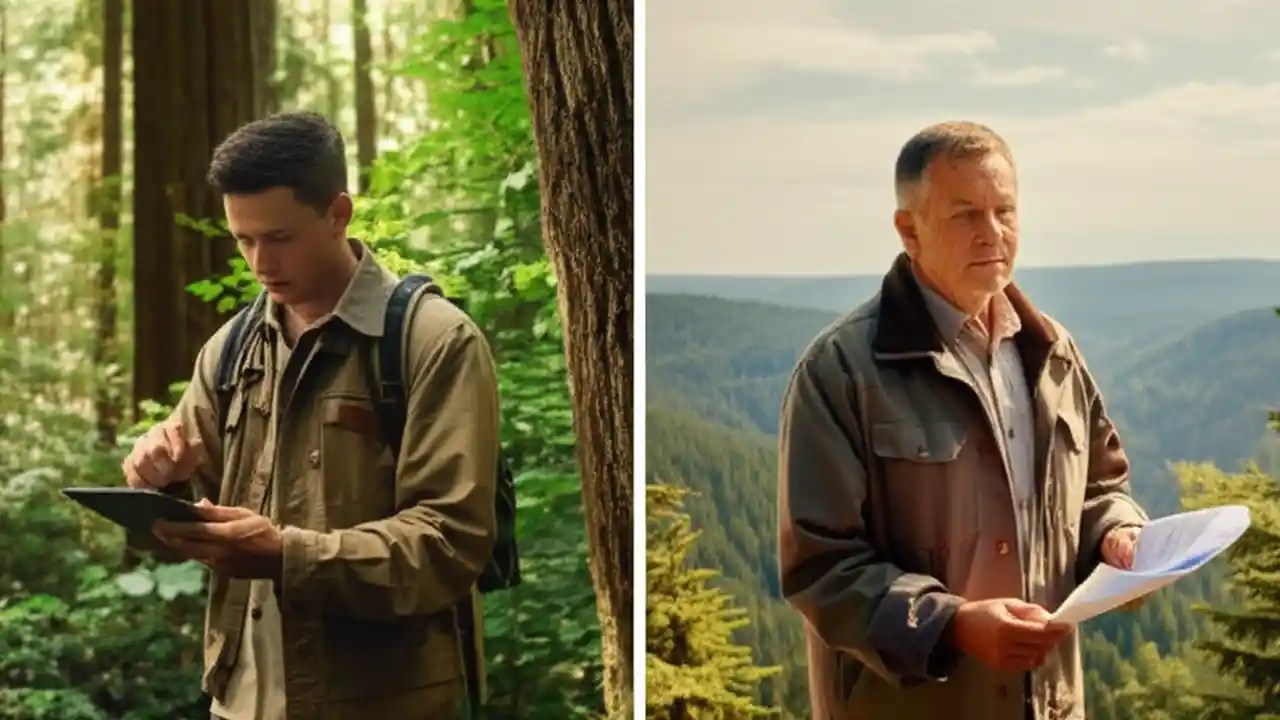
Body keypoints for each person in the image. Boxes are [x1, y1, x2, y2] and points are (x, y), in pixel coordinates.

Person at [121, 111, 500, 720]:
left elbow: (447, 544)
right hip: (239, 698)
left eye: (280, 237)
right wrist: (162, 481)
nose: (258, 262)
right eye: (243, 240)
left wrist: (286, 555)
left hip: (382, 702)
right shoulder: (231, 349)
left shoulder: (432, 342)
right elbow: (204, 500)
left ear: (338, 213)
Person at [776, 121, 1149, 720]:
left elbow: (1101, 487)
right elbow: (821, 568)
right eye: (965, 214)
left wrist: (1118, 535)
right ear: (909, 229)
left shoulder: (1053, 353)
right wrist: (952, 624)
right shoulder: (839, 372)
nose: (992, 233)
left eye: (1005, 210)